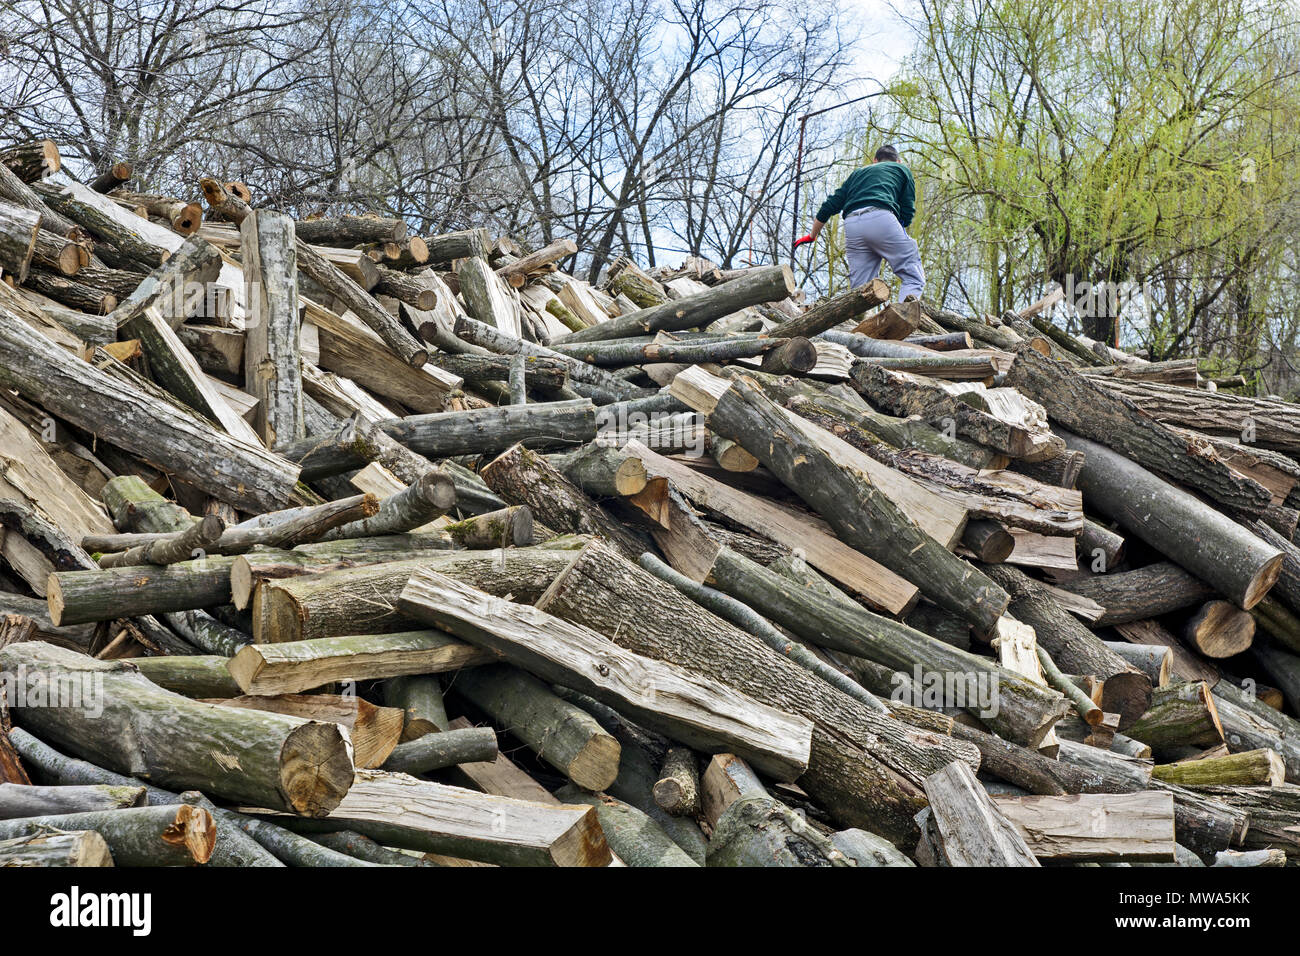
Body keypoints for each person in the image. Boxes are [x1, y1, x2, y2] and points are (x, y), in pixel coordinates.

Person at [794, 145, 924, 300]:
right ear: (898, 161)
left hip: (852, 224)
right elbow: (907, 211)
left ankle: (857, 321)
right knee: (913, 277)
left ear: (875, 160)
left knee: (861, 291)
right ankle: (902, 319)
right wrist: (893, 233)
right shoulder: (901, 169)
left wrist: (812, 235)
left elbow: (829, 206)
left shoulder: (858, 173)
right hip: (881, 218)